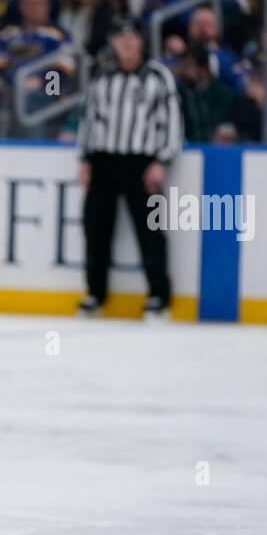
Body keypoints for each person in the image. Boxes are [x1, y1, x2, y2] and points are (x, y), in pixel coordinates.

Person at [75, 16, 181, 319]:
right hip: (103, 160)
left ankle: (158, 295)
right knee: (96, 229)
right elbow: (89, 118)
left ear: (142, 41)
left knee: (150, 230)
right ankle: (96, 293)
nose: (126, 43)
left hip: (141, 163)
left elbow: (171, 121)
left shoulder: (158, 77)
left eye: (131, 37)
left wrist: (162, 161)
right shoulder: (103, 76)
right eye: (120, 37)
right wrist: (85, 158)